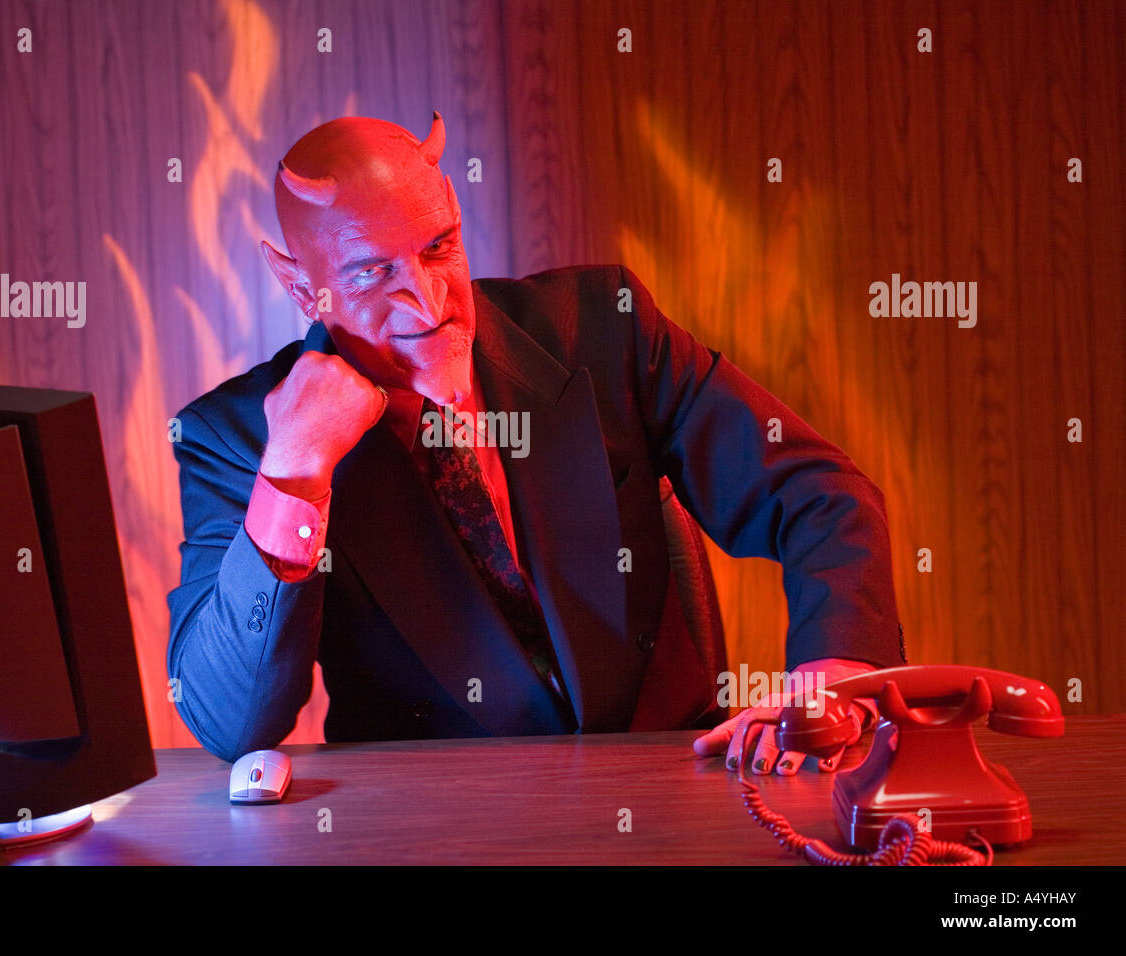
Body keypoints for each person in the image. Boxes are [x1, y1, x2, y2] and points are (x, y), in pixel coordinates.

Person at [167, 111, 905, 770]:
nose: (427, 301)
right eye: (373, 272)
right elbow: (232, 723)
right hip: (435, 838)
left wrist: (837, 666)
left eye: (438, 247)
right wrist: (293, 472)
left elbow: (819, 494)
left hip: (670, 797)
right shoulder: (235, 437)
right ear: (300, 287)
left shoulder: (603, 328)